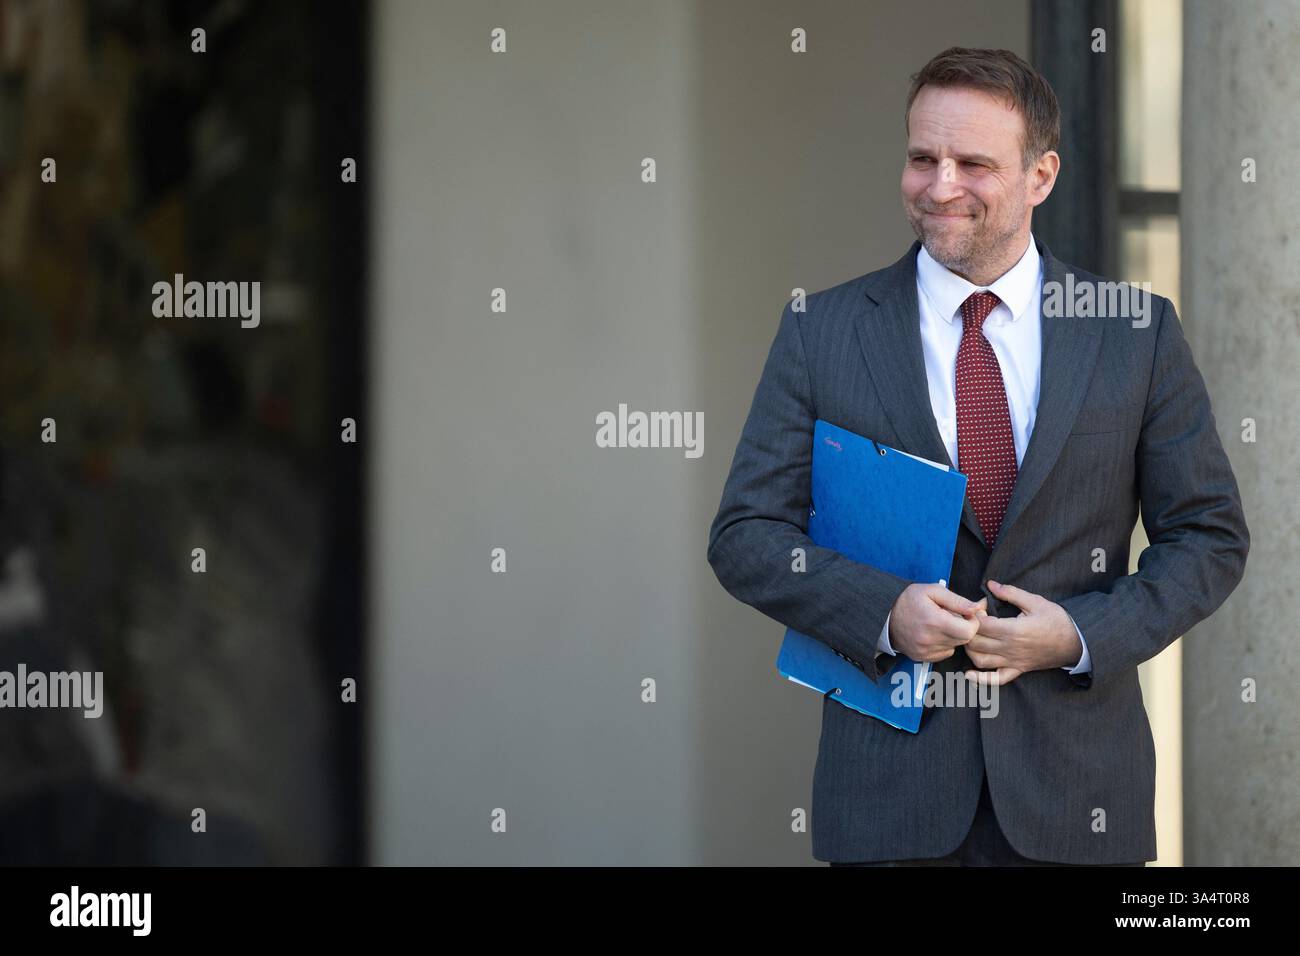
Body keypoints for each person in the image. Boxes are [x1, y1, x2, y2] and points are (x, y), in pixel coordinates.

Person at [706, 47, 1249, 866]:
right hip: (891, 803)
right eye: (923, 158)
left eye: (973, 163)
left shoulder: (1135, 334)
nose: (940, 185)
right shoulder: (822, 332)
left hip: (1080, 801)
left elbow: (1209, 537)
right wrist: (883, 612)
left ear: (1042, 175)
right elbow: (746, 533)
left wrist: (1076, 634)